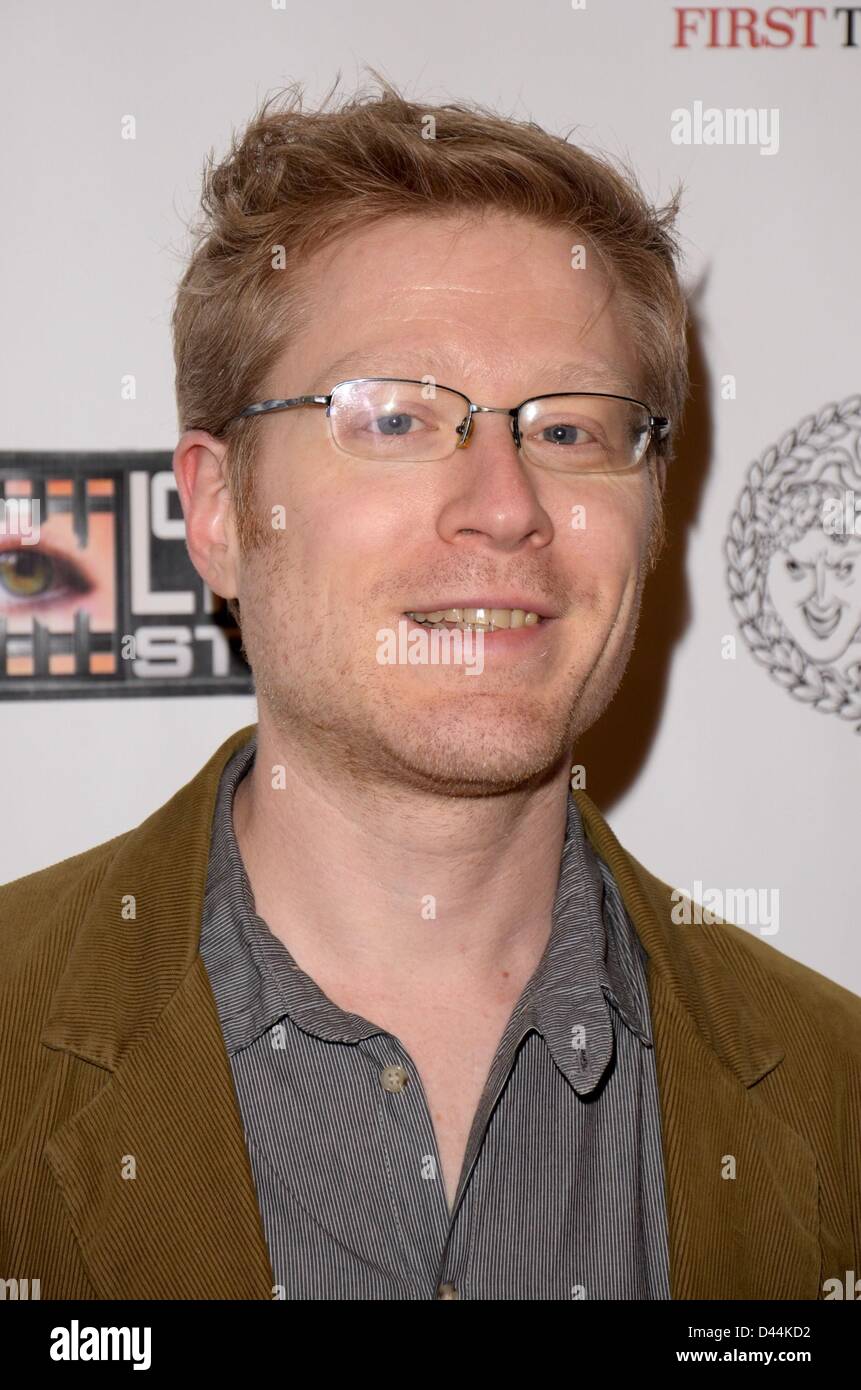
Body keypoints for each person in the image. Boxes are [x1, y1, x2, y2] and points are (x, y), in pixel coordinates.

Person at [2, 76, 859, 1302]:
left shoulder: (837, 1097)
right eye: (394, 418)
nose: (505, 507)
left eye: (570, 431)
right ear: (218, 509)